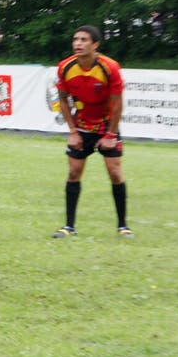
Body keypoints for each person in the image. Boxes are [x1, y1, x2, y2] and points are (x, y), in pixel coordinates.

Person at [51, 25, 131, 239]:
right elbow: (63, 100)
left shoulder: (110, 67)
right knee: (73, 172)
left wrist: (111, 135)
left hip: (106, 124)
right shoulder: (65, 67)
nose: (78, 43)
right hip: (82, 125)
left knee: (114, 172)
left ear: (95, 45)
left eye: (84, 40)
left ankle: (123, 226)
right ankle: (69, 227)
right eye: (76, 39)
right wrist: (73, 131)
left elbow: (117, 103)